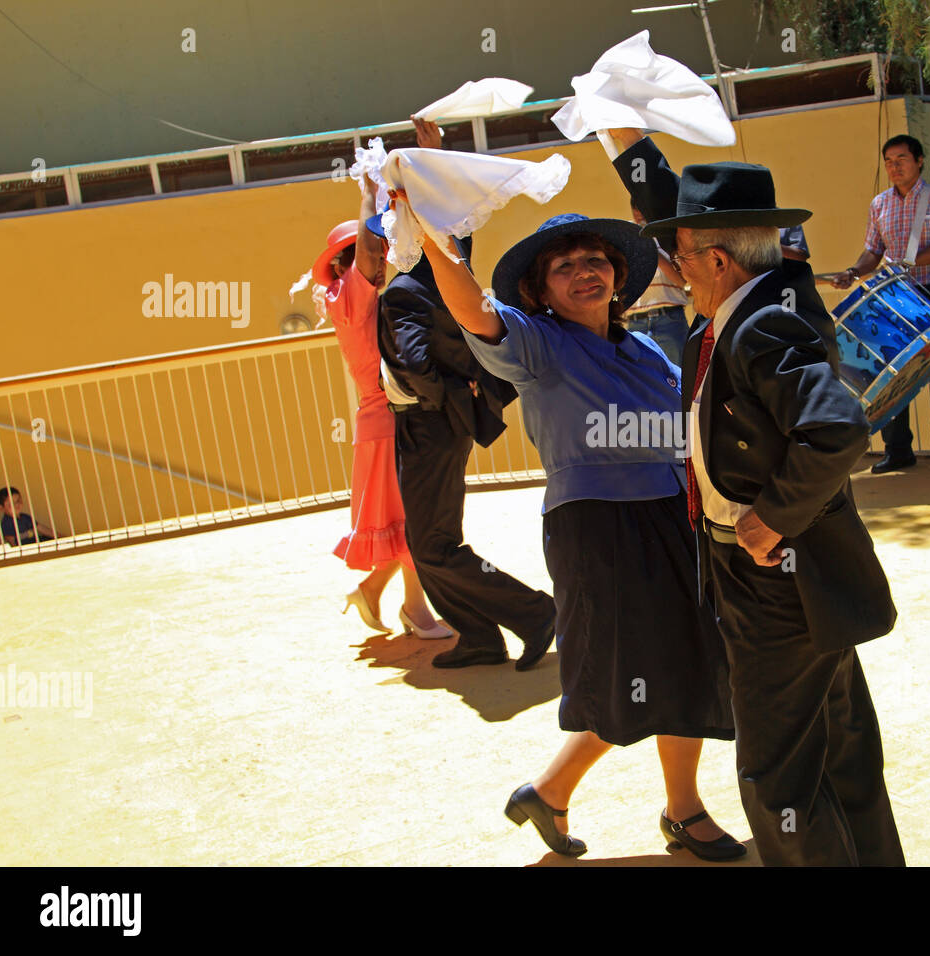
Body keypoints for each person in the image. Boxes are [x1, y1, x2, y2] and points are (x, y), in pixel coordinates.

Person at [410, 135, 740, 859]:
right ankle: (552, 791)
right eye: (566, 267)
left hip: (671, 516)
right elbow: (469, 307)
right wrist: (433, 232)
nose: (585, 272)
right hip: (596, 527)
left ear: (618, 276)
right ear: (541, 290)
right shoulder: (536, 341)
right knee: (625, 672)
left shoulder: (646, 347)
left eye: (596, 261)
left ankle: (676, 809)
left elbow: (683, 436)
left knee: (687, 658)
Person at [606, 127, 904, 867]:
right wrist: (630, 147)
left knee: (777, 783)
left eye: (680, 253)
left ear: (717, 259)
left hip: (776, 582)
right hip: (800, 581)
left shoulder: (762, 322)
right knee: (841, 759)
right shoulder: (755, 305)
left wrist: (770, 519)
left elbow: (836, 430)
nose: (670, 267)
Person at [378, 116, 557, 668]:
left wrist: (439, 399)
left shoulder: (406, 291)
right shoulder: (445, 275)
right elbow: (454, 234)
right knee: (432, 544)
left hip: (426, 424)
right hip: (442, 419)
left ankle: (532, 612)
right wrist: (431, 166)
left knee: (433, 547)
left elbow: (413, 364)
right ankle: (479, 637)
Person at [311, 180, 452, 639]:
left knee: (406, 520)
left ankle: (373, 593)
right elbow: (371, 257)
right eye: (358, 254)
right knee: (413, 519)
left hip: (388, 419)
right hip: (385, 421)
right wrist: (370, 196)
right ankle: (416, 610)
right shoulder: (349, 297)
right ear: (343, 265)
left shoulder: (358, 297)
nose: (374, 258)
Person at [832, 134, 930, 473]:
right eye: (889, 162)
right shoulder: (880, 204)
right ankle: (897, 450)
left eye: (901, 159)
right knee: (887, 375)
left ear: (919, 160)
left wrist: (912, 262)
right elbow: (873, 251)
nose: (895, 167)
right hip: (894, 296)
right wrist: (853, 271)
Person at [621, 202, 689, 365]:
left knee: (680, 383)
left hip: (670, 319)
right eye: (635, 206)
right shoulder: (625, 238)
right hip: (635, 322)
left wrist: (653, 253)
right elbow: (618, 288)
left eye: (642, 204)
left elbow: (684, 283)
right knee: (640, 384)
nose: (639, 212)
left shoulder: (669, 235)